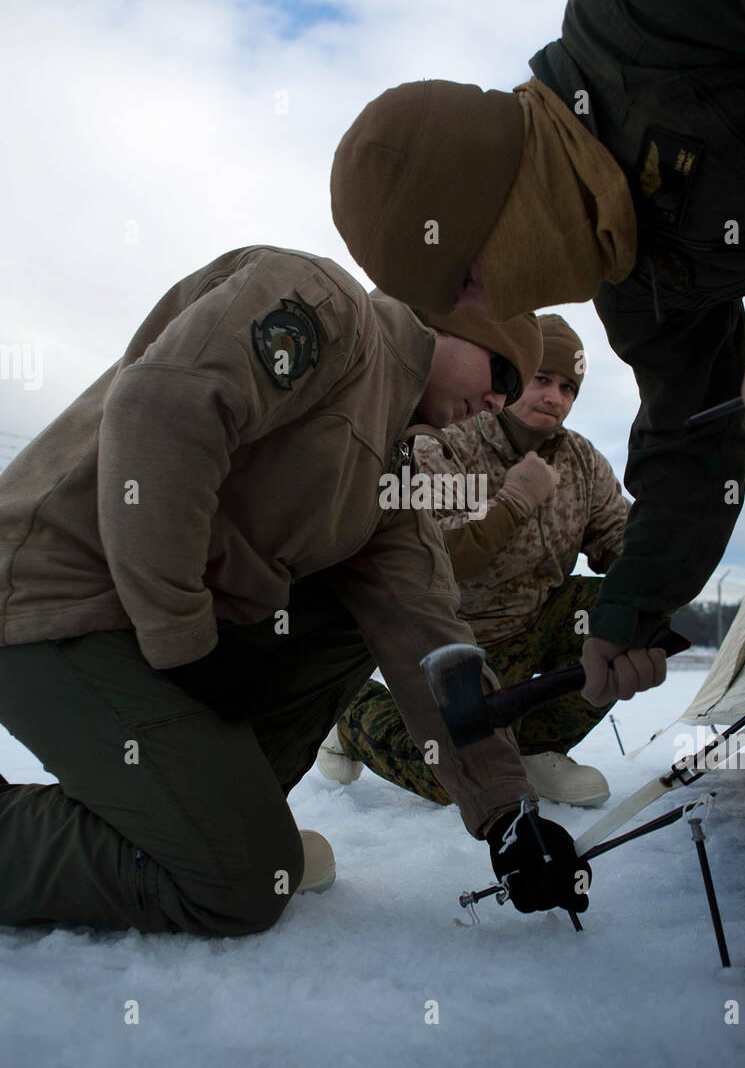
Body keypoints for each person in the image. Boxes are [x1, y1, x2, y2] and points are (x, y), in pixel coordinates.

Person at [329, 0, 745, 1068]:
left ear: (479, 217)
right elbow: (687, 445)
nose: (498, 325)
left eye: (460, 291)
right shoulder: (647, 272)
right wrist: (629, 613)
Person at [0, 243, 597, 936]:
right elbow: (162, 412)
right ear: (454, 314)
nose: (498, 400)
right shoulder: (327, 306)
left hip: (151, 642)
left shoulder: (391, 482)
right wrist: (186, 642)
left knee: (361, 615)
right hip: (51, 597)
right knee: (241, 885)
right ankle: (219, 848)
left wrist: (506, 815)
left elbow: (431, 640)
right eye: (501, 369)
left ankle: (213, 826)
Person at [319, 313, 630, 807]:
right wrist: (514, 503)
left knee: (620, 608)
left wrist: (664, 559)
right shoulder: (446, 438)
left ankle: (535, 749)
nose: (555, 397)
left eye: (569, 387)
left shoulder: (584, 460)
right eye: (542, 379)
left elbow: (620, 539)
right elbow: (429, 559)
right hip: (454, 642)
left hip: (537, 625)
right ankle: (353, 718)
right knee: (457, 781)